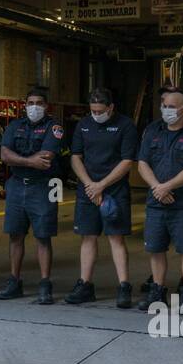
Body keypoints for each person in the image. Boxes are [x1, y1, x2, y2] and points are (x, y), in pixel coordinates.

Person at [135, 87, 183, 311]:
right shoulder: (152, 131)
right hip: (156, 202)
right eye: (164, 106)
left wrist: (168, 186)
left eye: (171, 107)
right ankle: (157, 293)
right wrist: (158, 188)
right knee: (156, 250)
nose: (166, 110)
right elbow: (142, 163)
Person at [67, 88, 139, 307]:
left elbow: (127, 161)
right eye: (93, 110)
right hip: (88, 189)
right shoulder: (84, 124)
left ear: (111, 108)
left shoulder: (125, 126)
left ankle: (124, 286)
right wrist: (90, 185)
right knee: (88, 237)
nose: (96, 114)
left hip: (114, 189)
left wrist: (102, 186)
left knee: (116, 238)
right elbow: (76, 157)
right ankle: (85, 284)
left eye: (100, 111)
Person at [0, 86, 64, 304]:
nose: (34, 107)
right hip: (16, 185)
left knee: (43, 236)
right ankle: (14, 281)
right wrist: (28, 161)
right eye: (30, 103)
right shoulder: (15, 125)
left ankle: (45, 284)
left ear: (46, 106)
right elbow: (4, 154)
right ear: (24, 105)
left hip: (45, 186)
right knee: (15, 235)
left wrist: (20, 158)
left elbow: (45, 158)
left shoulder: (54, 127)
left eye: (39, 103)